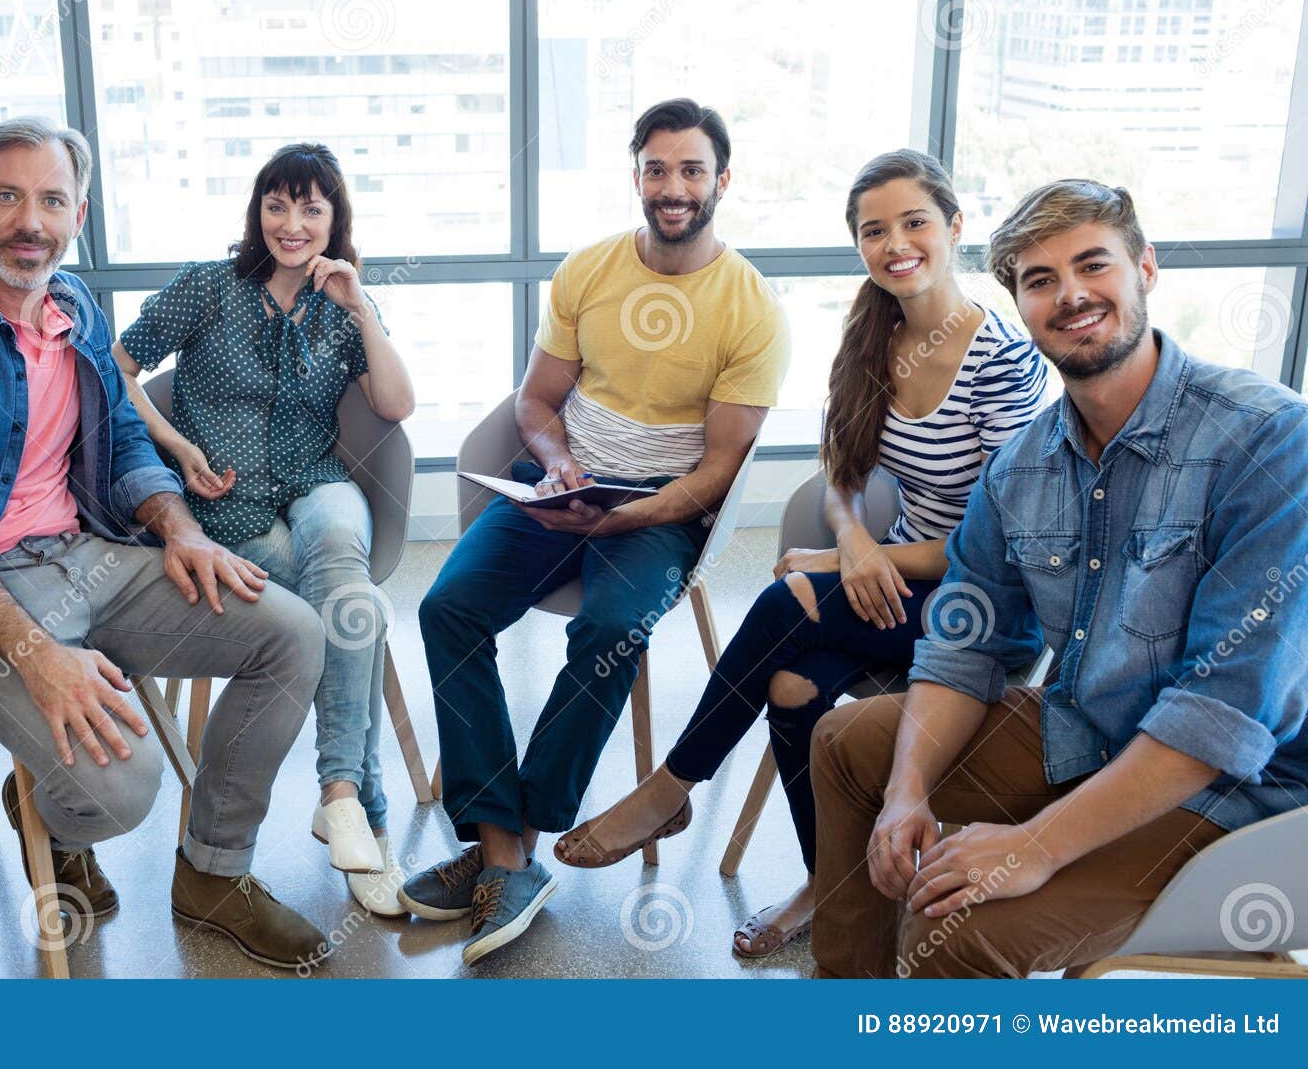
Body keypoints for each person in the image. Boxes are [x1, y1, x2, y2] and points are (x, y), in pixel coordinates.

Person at [0, 117, 333, 970]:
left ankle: (213, 872)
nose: (30, 220)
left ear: (78, 214)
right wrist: (36, 653)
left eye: (51, 200)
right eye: (7, 196)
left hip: (84, 552)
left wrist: (180, 531)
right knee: (121, 789)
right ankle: (54, 813)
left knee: (292, 633)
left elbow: (129, 447)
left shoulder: (75, 308)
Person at [554, 150, 1049, 959]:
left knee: (785, 601)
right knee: (787, 683)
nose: (896, 244)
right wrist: (852, 541)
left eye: (915, 222)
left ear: (955, 227)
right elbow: (844, 477)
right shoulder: (874, 332)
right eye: (873, 230)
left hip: (989, 604)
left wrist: (834, 565)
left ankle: (669, 788)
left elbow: (1008, 547)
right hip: (895, 576)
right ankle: (832, 884)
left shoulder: (1001, 361)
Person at [809, 178, 1308, 978]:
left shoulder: (1270, 439)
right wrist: (907, 793)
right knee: (846, 743)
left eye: (1092, 265)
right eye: (1040, 280)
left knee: (958, 930)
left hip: (1246, 799)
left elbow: (1222, 716)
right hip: (1094, 732)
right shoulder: (1021, 466)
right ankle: (849, 1010)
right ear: (1019, 302)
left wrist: (1034, 846)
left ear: (1144, 268)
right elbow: (961, 648)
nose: (1070, 295)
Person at [400, 98, 792, 965]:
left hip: (659, 509)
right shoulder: (589, 270)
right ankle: (505, 848)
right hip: (564, 484)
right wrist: (561, 466)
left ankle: (515, 839)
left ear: (722, 180)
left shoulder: (752, 306)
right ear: (637, 176)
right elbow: (536, 401)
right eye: (657, 169)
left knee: (612, 628)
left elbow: (720, 469)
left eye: (692, 170)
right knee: (445, 608)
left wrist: (631, 511)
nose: (673, 187)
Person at [112, 143, 415, 917]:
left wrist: (361, 306)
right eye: (278, 205)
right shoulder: (210, 287)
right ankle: (360, 808)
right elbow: (113, 364)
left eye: (313, 208)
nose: (292, 223)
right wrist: (174, 445)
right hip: (231, 508)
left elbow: (396, 404)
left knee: (342, 565)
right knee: (355, 615)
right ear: (258, 212)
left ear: (334, 220)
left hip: (319, 484)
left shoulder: (339, 304)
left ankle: (338, 791)